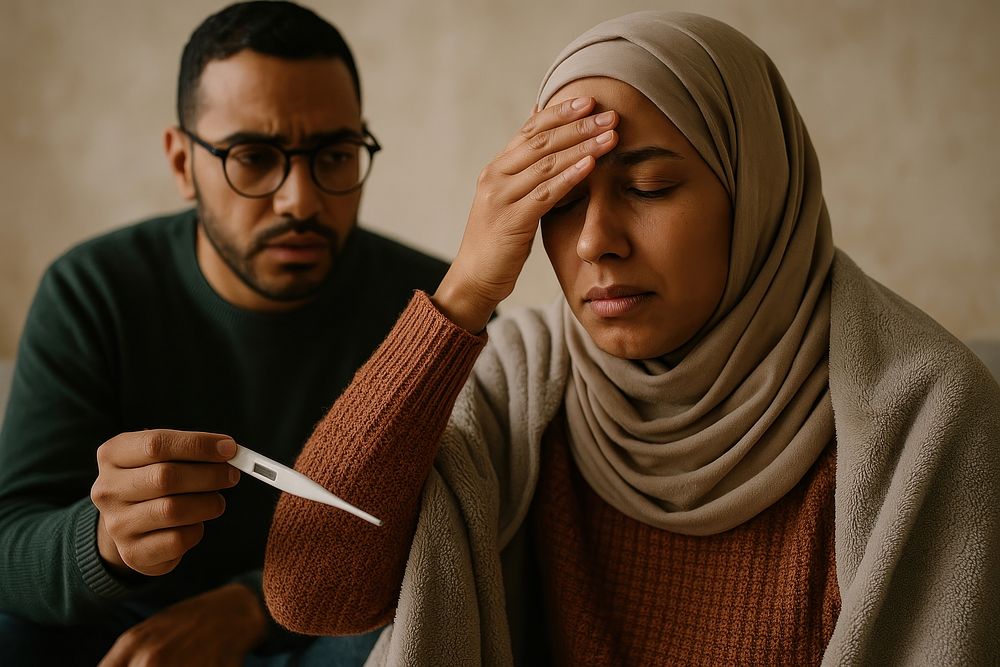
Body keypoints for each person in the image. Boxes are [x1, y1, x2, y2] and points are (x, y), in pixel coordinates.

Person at [262, 10, 1000, 665]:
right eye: (563, 197)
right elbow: (311, 594)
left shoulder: (925, 409)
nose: (594, 242)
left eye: (648, 188)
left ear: (758, 192)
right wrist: (462, 296)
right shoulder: (522, 381)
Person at [0, 2, 448, 665]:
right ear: (182, 162)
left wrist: (251, 606)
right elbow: (12, 545)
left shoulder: (432, 311)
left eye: (333, 154)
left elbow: (442, 546)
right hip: (118, 622)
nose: (300, 199)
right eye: (255, 157)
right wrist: (103, 542)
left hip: (325, 625)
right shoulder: (93, 289)